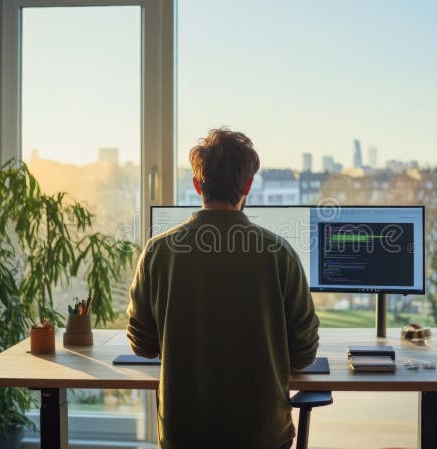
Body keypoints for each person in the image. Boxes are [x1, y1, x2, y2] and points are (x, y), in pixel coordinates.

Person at [127, 128, 320, 449]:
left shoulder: (157, 251)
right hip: (262, 437)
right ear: (247, 186)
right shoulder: (279, 252)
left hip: (184, 436)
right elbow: (304, 353)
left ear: (197, 185)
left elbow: (142, 346)